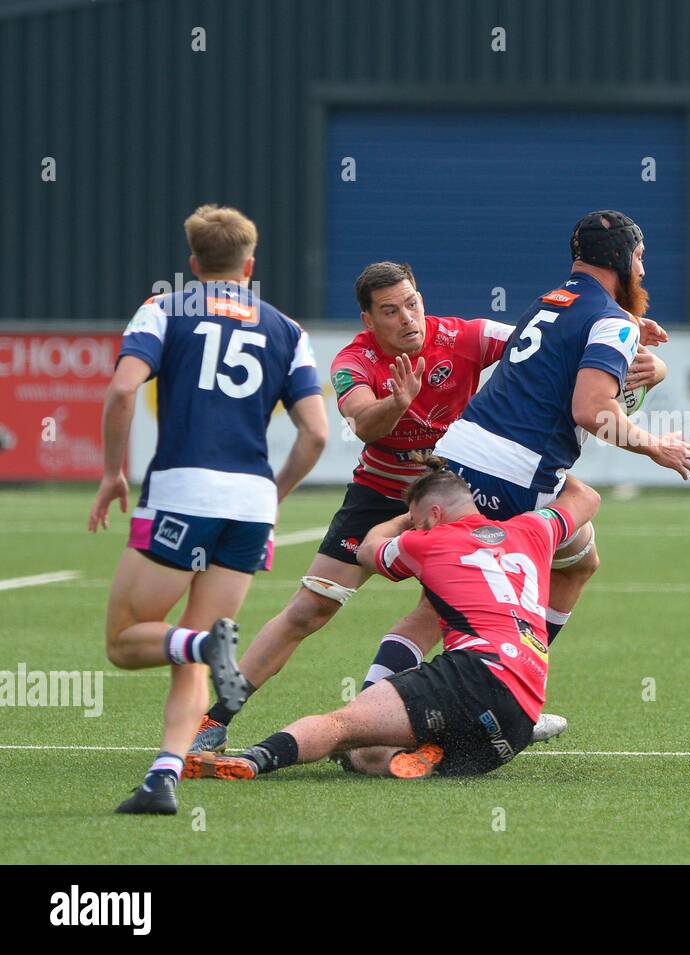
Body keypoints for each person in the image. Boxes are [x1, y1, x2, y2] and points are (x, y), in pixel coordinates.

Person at [190, 261, 518, 754]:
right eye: (390, 311)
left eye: (412, 303)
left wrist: (627, 343)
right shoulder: (353, 362)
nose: (408, 318)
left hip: (449, 497)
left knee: (447, 609)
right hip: (379, 495)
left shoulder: (464, 335)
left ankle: (392, 721)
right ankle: (214, 718)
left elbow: (542, 341)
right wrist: (398, 401)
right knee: (309, 609)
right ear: (369, 320)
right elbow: (366, 424)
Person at [89, 204, 328, 813]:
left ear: (193, 264)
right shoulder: (286, 329)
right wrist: (270, 496)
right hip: (249, 504)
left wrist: (114, 472)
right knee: (191, 638)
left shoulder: (165, 308)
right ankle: (163, 776)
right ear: (250, 265)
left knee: (126, 642)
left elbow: (121, 390)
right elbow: (316, 436)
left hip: (182, 493)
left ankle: (202, 650)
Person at [183, 458, 601, 782]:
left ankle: (253, 759)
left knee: (342, 726)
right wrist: (550, 468)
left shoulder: (428, 541)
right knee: (366, 755)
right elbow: (587, 499)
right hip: (516, 719)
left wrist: (408, 520)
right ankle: (425, 752)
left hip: (476, 675)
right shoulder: (534, 529)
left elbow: (368, 548)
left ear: (433, 515)